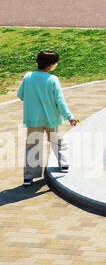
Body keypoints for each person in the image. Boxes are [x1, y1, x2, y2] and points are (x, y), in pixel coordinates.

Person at [17, 50, 79, 186]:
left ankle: (28, 176)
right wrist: (70, 117)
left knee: (33, 146)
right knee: (58, 142)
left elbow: (20, 95)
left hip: (33, 119)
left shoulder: (27, 77)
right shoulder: (53, 79)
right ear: (50, 65)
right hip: (51, 119)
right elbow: (60, 101)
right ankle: (63, 164)